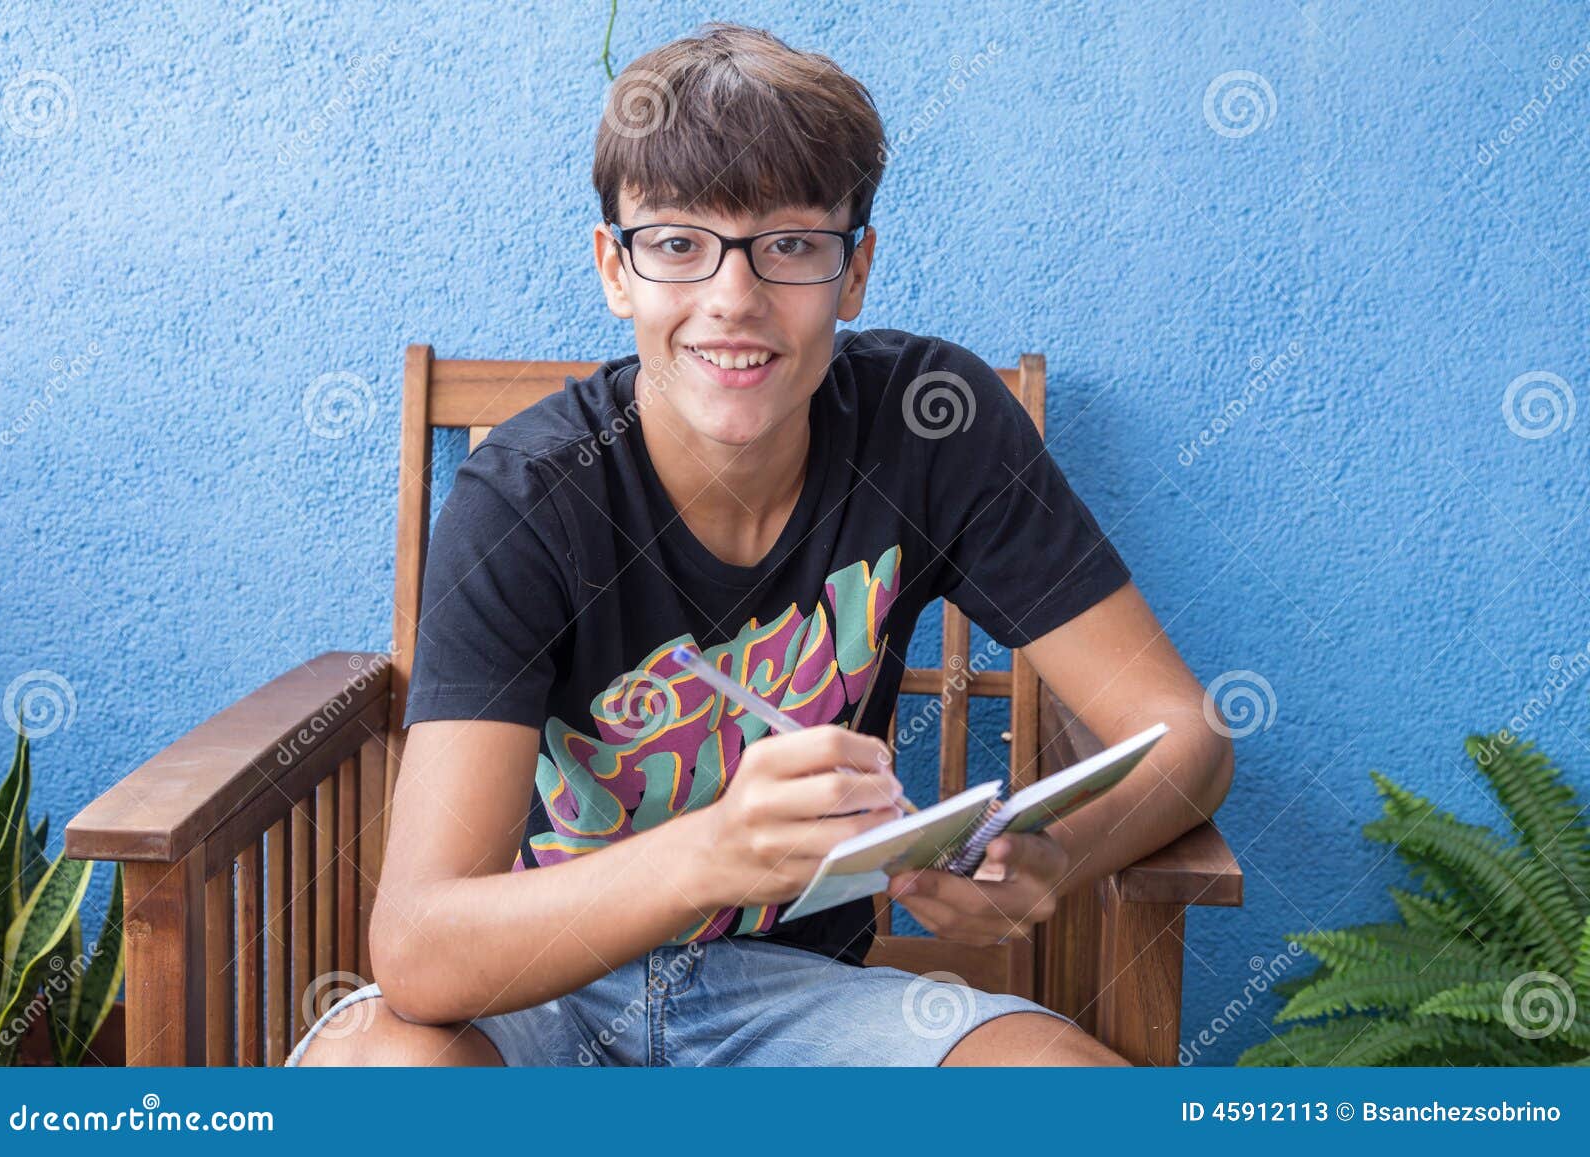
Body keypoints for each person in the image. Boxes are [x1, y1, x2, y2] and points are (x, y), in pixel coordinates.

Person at [290, 21, 1232, 1068]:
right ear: (615, 268)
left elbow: (1184, 733)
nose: (733, 300)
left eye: (788, 244)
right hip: (542, 977)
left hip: (802, 997)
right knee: (382, 1068)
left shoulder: (934, 422)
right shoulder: (530, 495)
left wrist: (1058, 854)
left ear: (856, 270)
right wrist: (712, 853)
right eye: (679, 243)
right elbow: (421, 950)